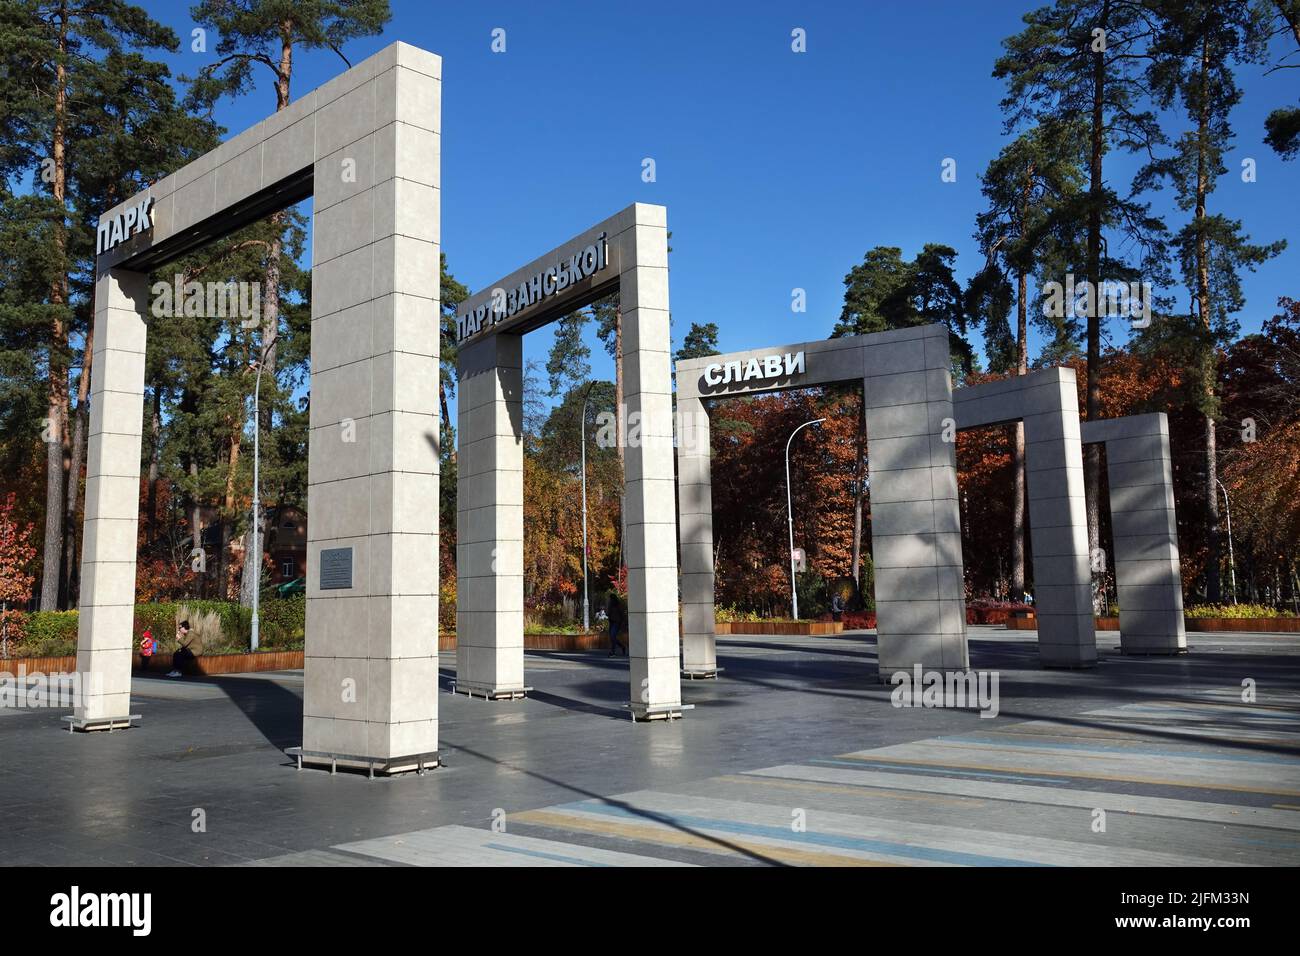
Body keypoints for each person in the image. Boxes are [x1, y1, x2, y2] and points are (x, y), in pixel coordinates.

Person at [606, 591, 627, 657]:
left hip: (617, 622)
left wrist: (623, 622)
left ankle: (613, 652)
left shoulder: (618, 605)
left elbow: (622, 614)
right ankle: (622, 646)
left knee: (612, 636)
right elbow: (608, 613)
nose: (609, 600)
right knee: (612, 637)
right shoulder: (610, 605)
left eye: (610, 599)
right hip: (611, 622)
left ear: (613, 599)